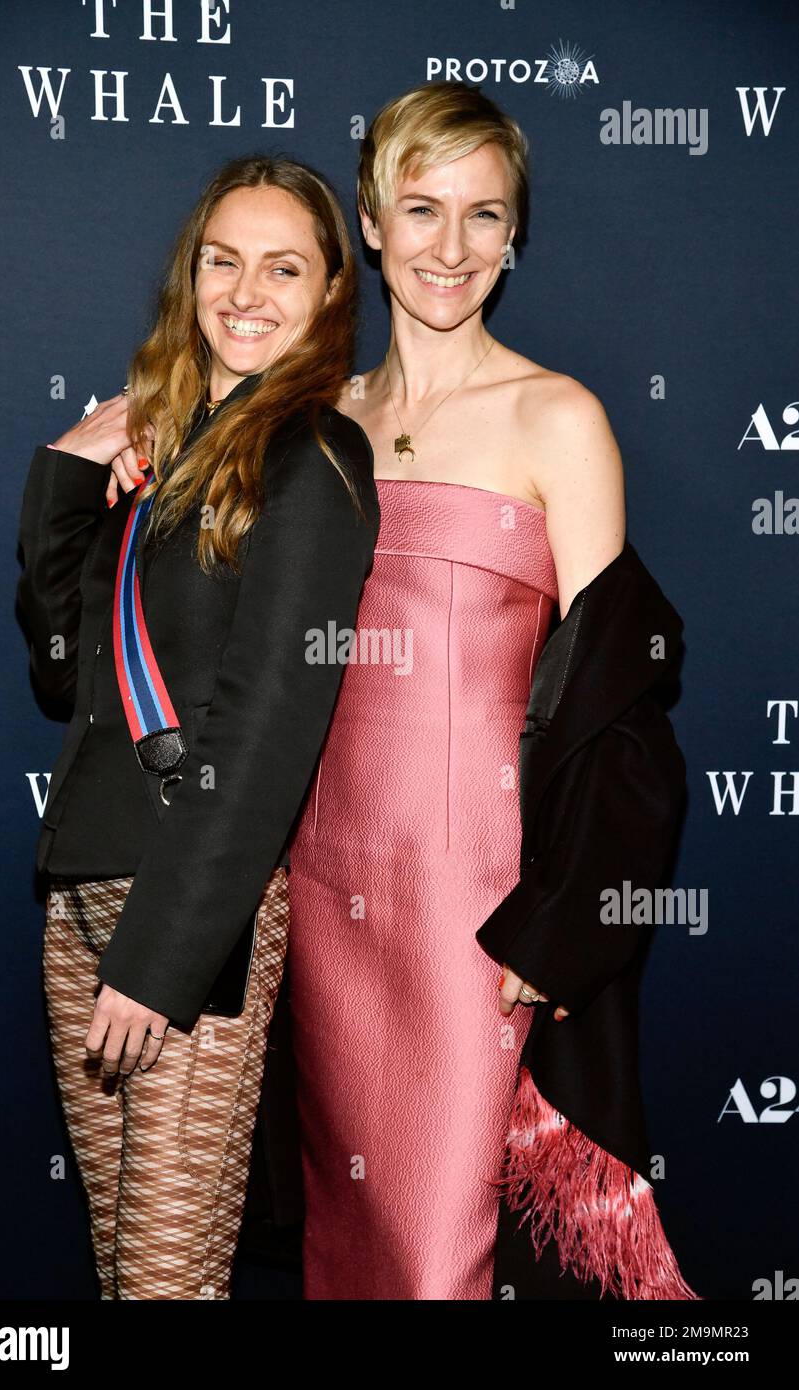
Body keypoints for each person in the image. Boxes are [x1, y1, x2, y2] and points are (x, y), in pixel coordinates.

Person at [285, 82, 699, 1299]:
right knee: (345, 1245)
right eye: (421, 208)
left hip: (480, 908)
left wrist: (564, 918)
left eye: (484, 214)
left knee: (439, 1254)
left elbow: (615, 699)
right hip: (319, 898)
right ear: (369, 222)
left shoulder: (554, 417)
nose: (451, 246)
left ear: (514, 232)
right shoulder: (315, 424)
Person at [15, 155, 379, 1300]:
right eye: (223, 261)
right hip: (80, 893)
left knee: (166, 1286)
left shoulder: (313, 458)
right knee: (120, 1273)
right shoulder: (172, 444)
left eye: (283, 267)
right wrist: (68, 475)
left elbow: (268, 731)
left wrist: (162, 960)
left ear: (330, 291)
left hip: (187, 917)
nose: (245, 292)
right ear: (190, 274)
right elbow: (61, 662)